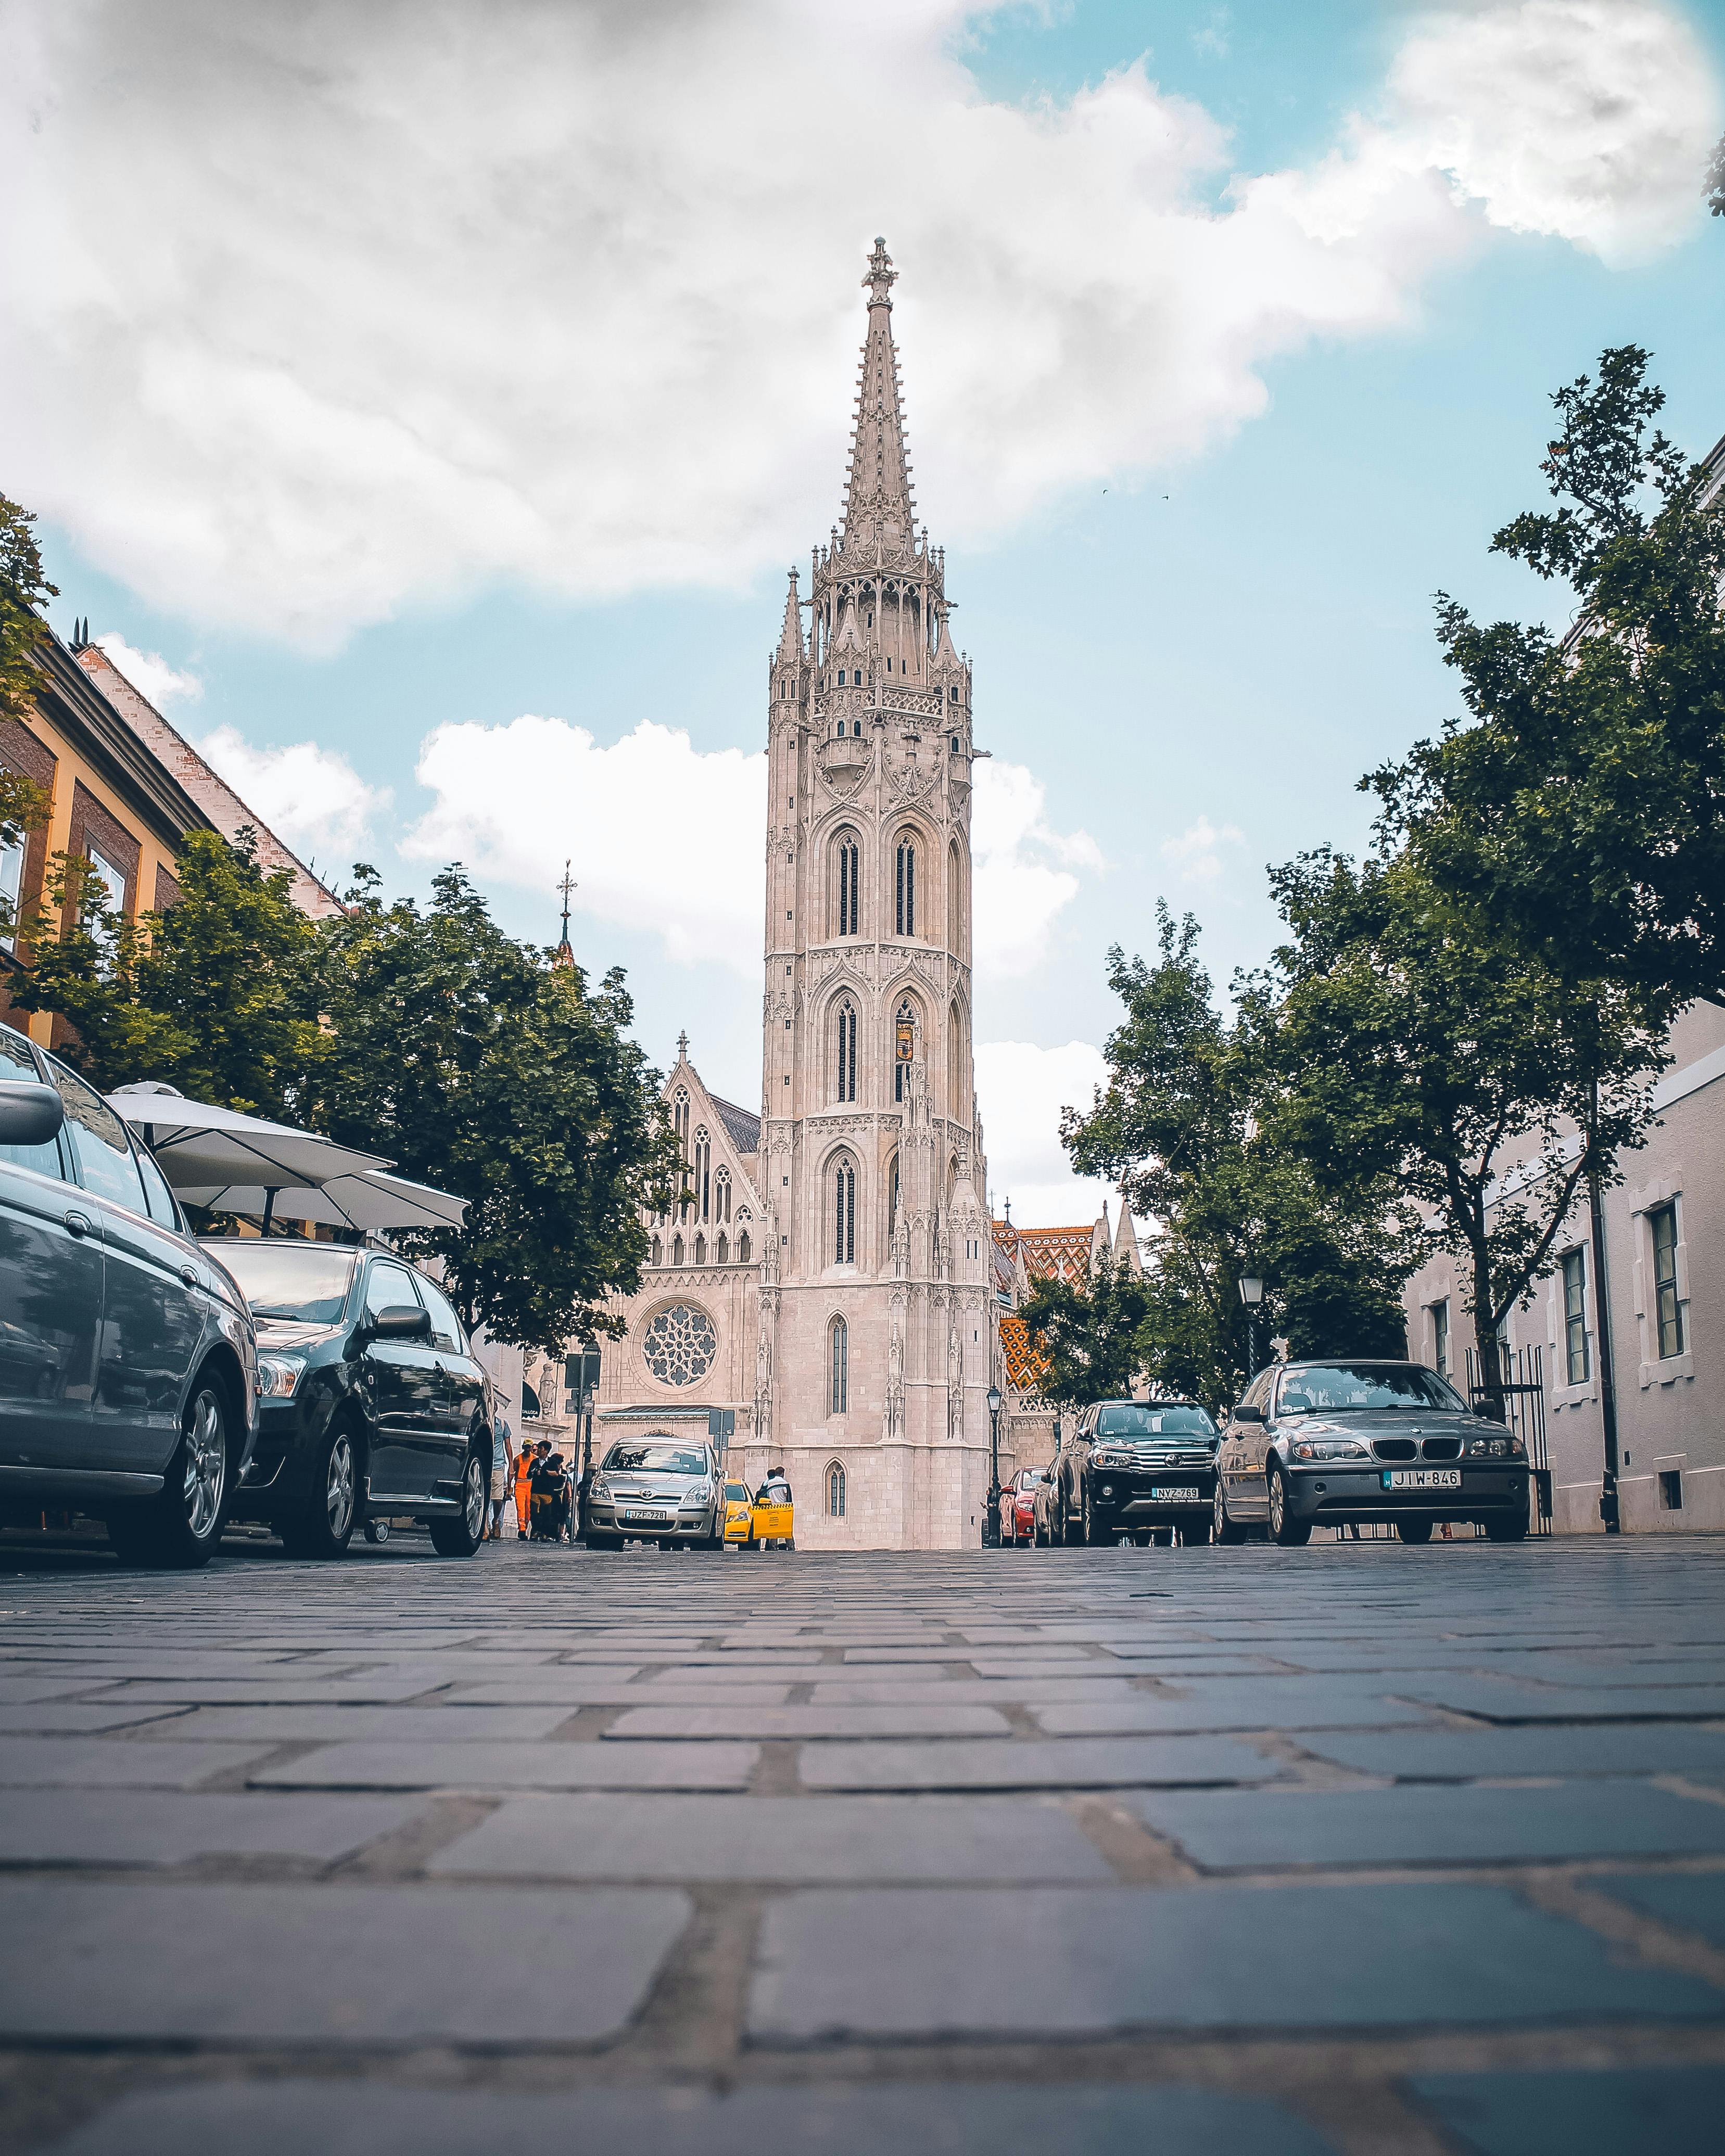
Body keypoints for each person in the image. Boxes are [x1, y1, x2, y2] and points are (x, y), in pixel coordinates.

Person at [489, 1414, 514, 1540]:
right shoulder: (482, 1421)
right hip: (484, 1463)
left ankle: (495, 1520)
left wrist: (511, 1466)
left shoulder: (503, 1424)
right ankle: (484, 1527)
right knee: (483, 1497)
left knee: (498, 1498)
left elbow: (508, 1446)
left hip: (498, 1464)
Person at [514, 1439, 536, 1541]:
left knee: (529, 1508)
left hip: (531, 1485)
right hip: (520, 1484)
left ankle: (525, 1526)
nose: (527, 1450)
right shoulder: (518, 1459)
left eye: (529, 1447)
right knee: (520, 1507)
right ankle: (522, 1529)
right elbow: (513, 1472)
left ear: (532, 1448)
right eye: (526, 1447)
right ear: (523, 1448)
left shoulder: (535, 1459)